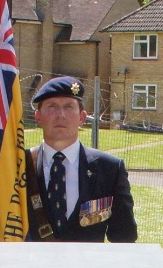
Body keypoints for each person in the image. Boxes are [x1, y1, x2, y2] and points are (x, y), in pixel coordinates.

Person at [26, 76, 137, 242]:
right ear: (38, 117)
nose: (60, 115)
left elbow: (125, 237)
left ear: (82, 118)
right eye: (52, 107)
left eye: (69, 107)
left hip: (88, 260)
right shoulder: (18, 166)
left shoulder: (109, 169)